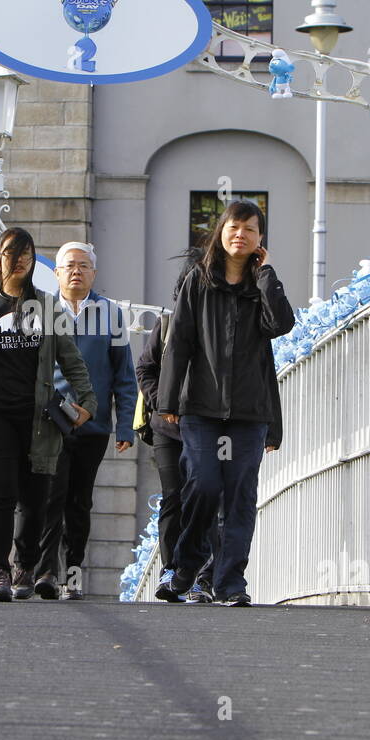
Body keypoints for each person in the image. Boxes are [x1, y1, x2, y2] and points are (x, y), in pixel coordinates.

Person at [0, 228, 98, 603]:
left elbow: (70, 359)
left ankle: (24, 566)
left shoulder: (47, 306)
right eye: (12, 252)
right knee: (0, 494)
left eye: (27, 253)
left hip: (39, 417)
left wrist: (87, 401)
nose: (20, 259)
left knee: (36, 496)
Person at [158, 200, 295, 606]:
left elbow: (281, 325)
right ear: (221, 232)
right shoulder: (198, 281)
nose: (242, 235)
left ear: (260, 240)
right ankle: (187, 564)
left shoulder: (261, 284)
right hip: (200, 408)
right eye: (235, 227)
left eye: (251, 230)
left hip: (250, 412)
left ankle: (231, 582)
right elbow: (178, 341)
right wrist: (167, 400)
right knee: (202, 483)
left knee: (239, 496)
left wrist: (266, 273)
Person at [38, 241, 137, 601]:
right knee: (52, 496)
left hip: (92, 426)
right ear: (56, 273)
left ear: (94, 273)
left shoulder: (111, 315)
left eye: (83, 265)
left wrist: (125, 425)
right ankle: (46, 571)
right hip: (51, 422)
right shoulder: (41, 312)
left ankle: (73, 575)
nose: (76, 271)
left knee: (79, 503)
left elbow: (124, 376)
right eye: (69, 266)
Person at [136, 249, 218, 604]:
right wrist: (163, 403)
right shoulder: (167, 325)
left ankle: (203, 576)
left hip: (209, 428)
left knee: (206, 498)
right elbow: (145, 369)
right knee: (174, 497)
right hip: (168, 429)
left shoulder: (223, 327)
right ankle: (172, 570)